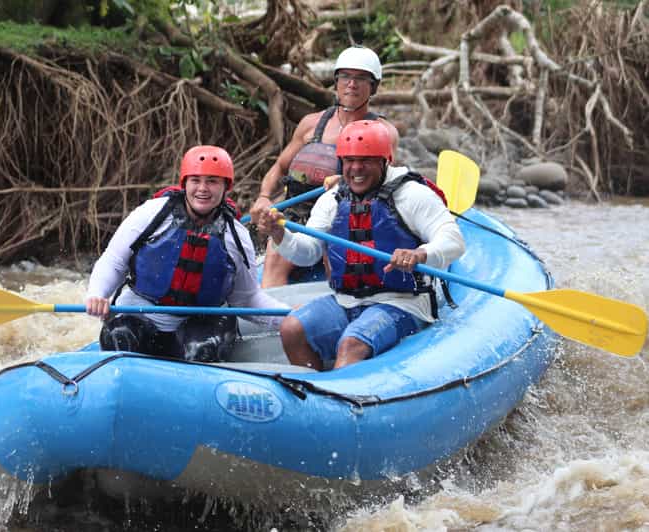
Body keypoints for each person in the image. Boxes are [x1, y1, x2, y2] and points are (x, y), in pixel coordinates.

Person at [256, 120, 465, 371]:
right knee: (291, 329)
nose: (356, 168)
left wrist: (420, 254)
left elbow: (453, 239)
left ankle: (342, 399)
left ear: (384, 161)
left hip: (402, 302)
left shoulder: (412, 195)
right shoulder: (332, 199)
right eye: (349, 161)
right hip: (346, 300)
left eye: (365, 161)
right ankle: (315, 391)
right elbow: (308, 252)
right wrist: (281, 234)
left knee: (351, 344)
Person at [85, 145, 288, 362]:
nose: (203, 188)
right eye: (195, 180)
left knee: (201, 350)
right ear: (184, 183)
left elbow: (247, 298)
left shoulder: (235, 236)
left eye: (212, 181)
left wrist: (289, 317)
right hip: (140, 315)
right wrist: (97, 293)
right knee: (119, 336)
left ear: (225, 186)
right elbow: (114, 262)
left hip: (199, 324)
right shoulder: (151, 214)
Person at [249, 45, 400, 288]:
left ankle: (341, 304)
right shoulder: (311, 123)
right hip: (297, 213)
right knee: (276, 254)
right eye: (345, 77)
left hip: (346, 213)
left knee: (337, 256)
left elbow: (389, 181)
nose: (352, 84)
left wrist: (349, 181)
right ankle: (270, 318)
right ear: (336, 82)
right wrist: (264, 197)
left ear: (373, 87)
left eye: (361, 78)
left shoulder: (383, 132)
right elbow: (280, 166)